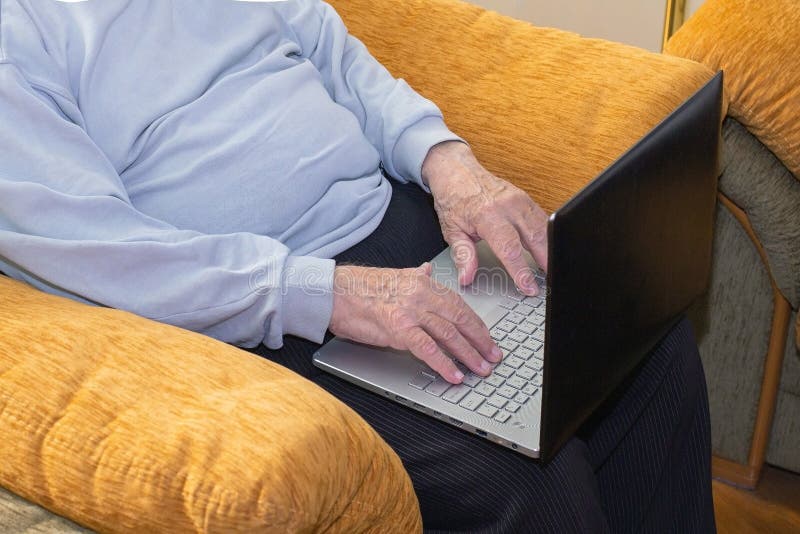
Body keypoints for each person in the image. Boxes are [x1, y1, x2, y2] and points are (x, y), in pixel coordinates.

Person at [0, 0, 715, 531]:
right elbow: (96, 249)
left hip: (397, 224)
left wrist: (448, 163)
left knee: (651, 354)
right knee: (535, 487)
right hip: (270, 316)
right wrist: (329, 293)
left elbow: (339, 62)